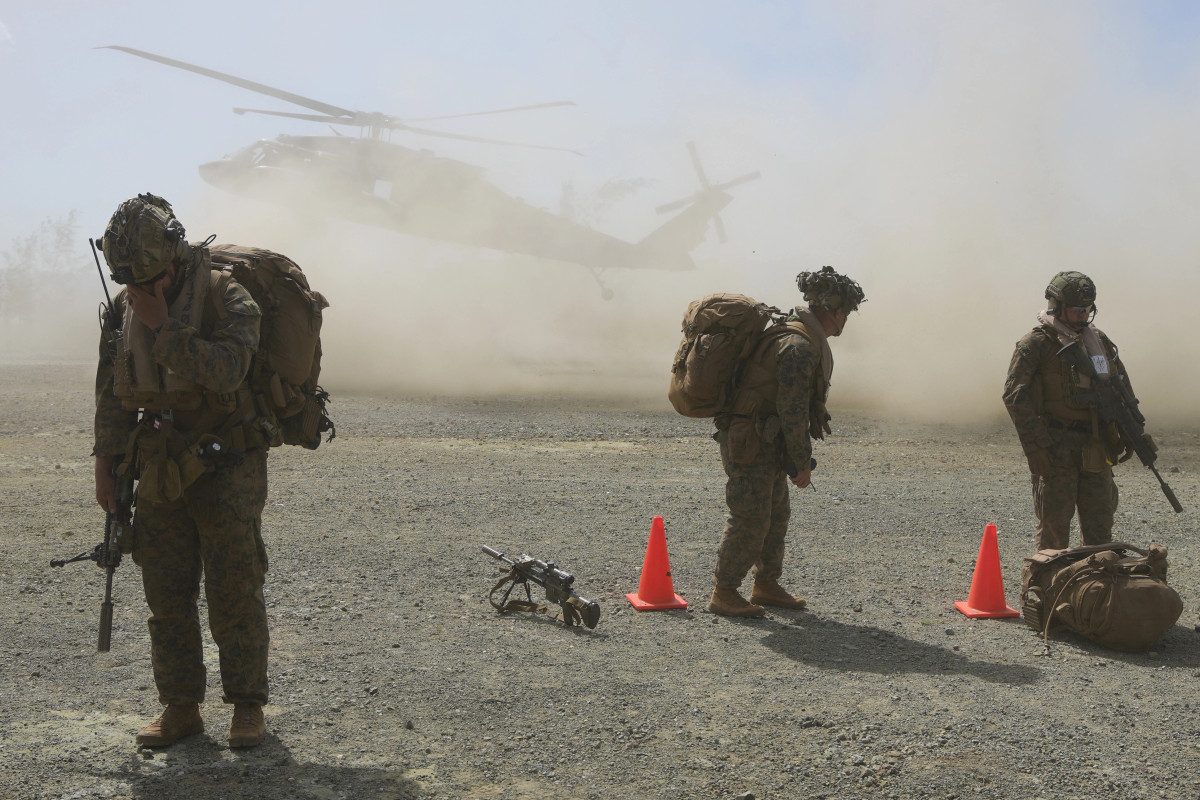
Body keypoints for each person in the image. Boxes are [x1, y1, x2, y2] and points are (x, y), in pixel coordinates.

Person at [92, 194, 271, 748]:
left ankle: (246, 708)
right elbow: (113, 393)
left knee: (233, 586)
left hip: (227, 462)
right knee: (165, 592)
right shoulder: (124, 306)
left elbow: (226, 372)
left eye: (150, 278)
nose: (141, 290)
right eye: (130, 281)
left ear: (175, 255)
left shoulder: (228, 295)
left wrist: (164, 327)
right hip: (159, 463)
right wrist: (106, 464)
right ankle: (180, 708)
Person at [708, 266, 866, 617]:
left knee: (776, 514)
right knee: (750, 516)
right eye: (846, 313)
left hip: (766, 439)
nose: (846, 320)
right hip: (752, 441)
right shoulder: (799, 346)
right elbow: (793, 409)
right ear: (836, 312)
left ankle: (766, 584)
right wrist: (801, 462)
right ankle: (724, 591)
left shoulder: (795, 334)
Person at [1003, 271, 1129, 551]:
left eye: (1087, 310)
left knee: (1100, 527)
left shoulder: (1099, 341)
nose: (1083, 316)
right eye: (1076, 310)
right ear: (1056, 307)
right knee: (1054, 527)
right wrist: (1037, 448)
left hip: (1095, 444)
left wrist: (1131, 430)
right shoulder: (1036, 344)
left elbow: (1120, 388)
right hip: (1055, 444)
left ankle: (1093, 589)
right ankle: (1045, 590)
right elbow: (1015, 396)